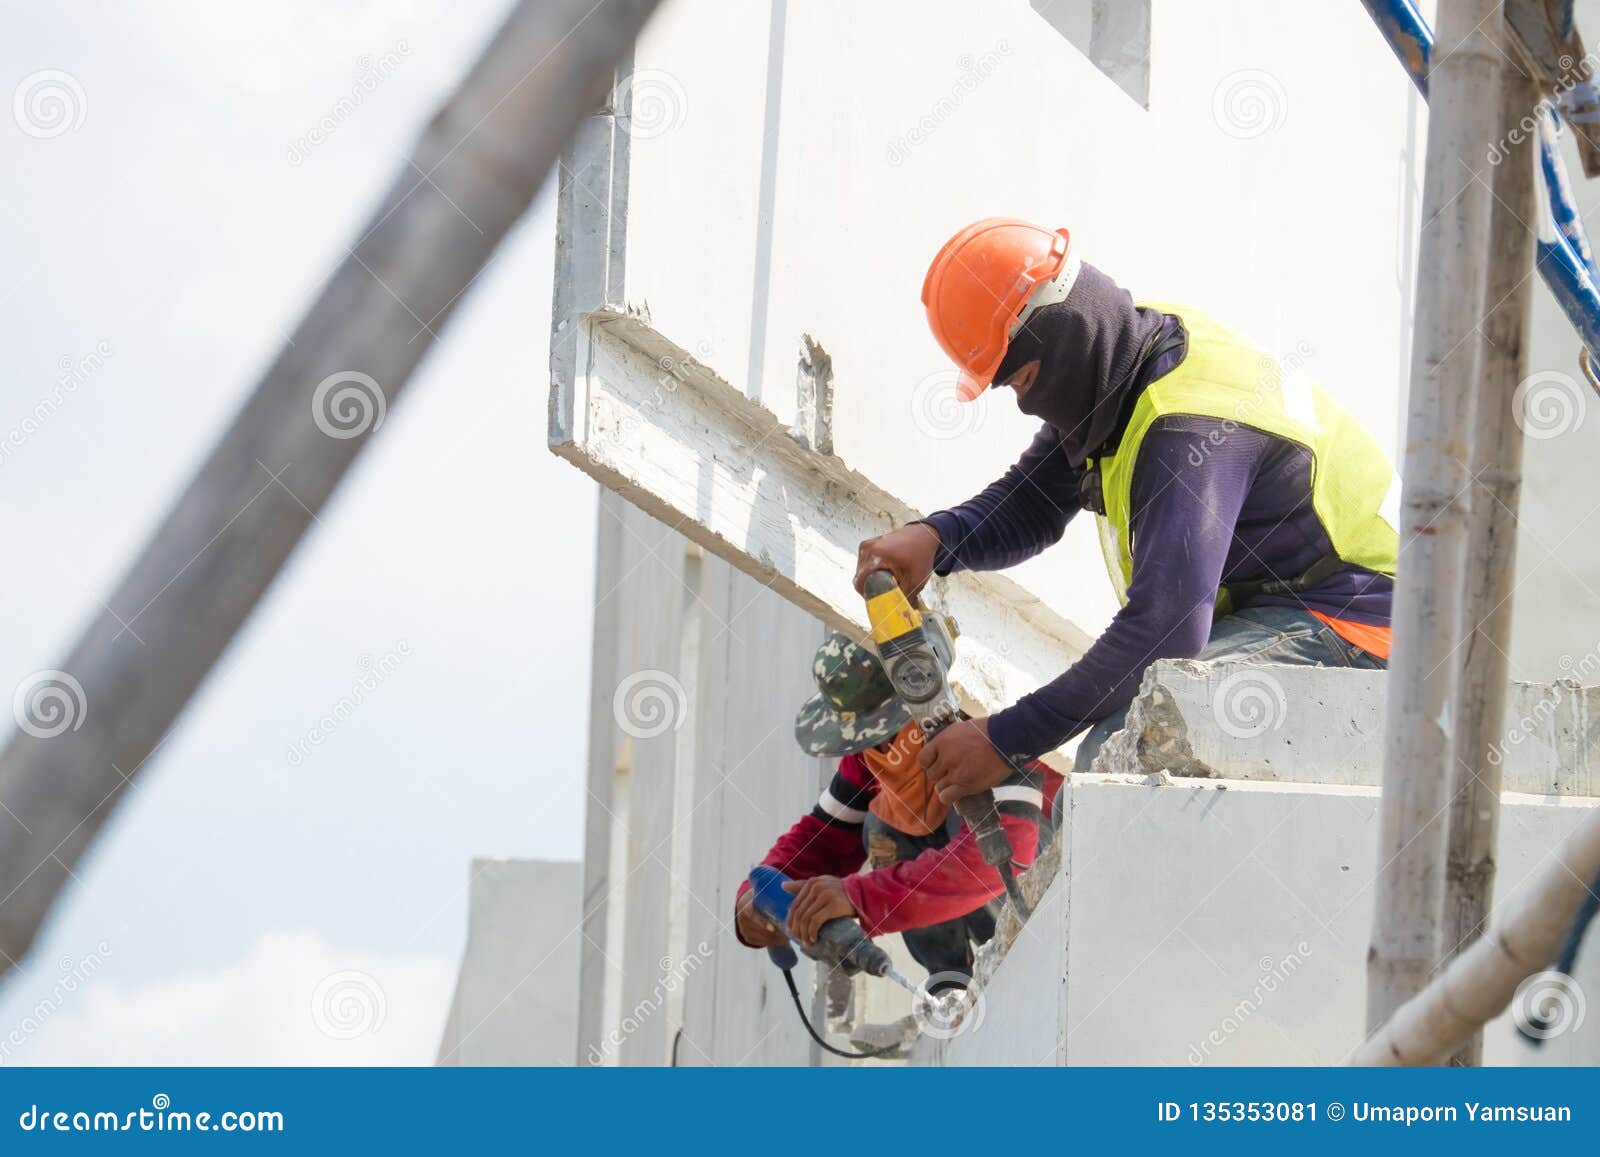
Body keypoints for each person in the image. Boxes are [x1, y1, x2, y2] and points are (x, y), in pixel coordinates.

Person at [856, 217, 1398, 801]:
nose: (1026, 405)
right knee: (1123, 746)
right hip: (1298, 613)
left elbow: (1165, 631)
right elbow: (1036, 497)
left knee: (1123, 749)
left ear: (1066, 328)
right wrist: (938, 540)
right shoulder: (1133, 354)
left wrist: (1005, 740)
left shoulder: (1188, 431)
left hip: (1359, 627)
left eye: (1025, 379)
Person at [733, 632, 1059, 991]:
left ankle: (1014, 959)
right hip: (990, 912)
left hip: (1049, 890)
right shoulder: (871, 759)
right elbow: (823, 839)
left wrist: (859, 898)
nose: (883, 749)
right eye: (870, 738)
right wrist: (761, 896)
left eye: (887, 731)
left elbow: (1006, 855)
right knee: (883, 826)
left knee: (968, 810)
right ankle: (951, 983)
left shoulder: (982, 719)